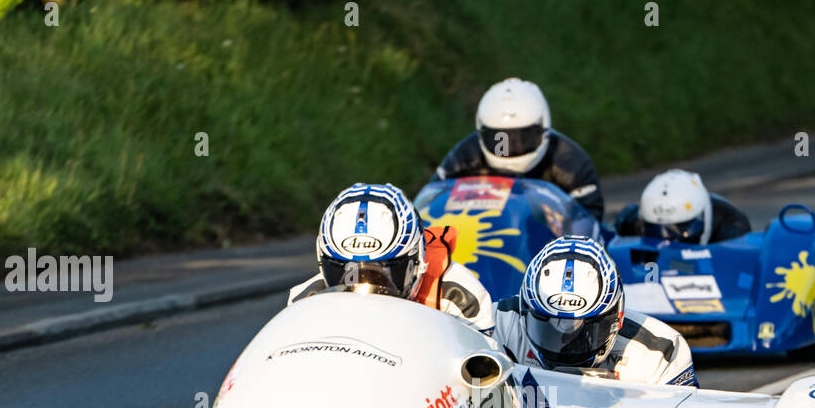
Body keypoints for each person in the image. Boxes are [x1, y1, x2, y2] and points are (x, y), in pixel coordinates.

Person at [289, 183, 494, 334]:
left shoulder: (459, 295)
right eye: (346, 274)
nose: (362, 288)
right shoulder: (303, 302)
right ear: (322, 262)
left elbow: (484, 382)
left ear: (418, 259)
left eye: (381, 275)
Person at [494, 236, 696, 386]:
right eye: (549, 327)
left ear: (617, 317)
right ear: (524, 311)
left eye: (583, 331)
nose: (566, 343)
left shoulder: (659, 351)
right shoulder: (495, 326)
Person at [434, 77, 605, 220]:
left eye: (522, 138)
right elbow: (431, 206)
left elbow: (591, 223)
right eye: (500, 140)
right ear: (482, 132)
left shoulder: (570, 161)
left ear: (543, 130)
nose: (509, 148)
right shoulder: (464, 157)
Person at [613, 169, 750, 244]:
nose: (668, 241)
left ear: (702, 216)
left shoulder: (734, 229)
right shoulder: (627, 222)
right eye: (655, 229)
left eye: (681, 228)